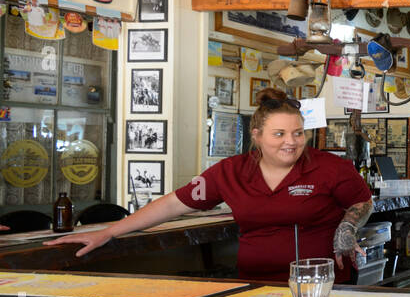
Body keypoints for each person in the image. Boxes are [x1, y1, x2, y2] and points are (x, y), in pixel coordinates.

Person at [48, 89, 374, 282]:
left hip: (320, 283)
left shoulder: (330, 167)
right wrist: (110, 232)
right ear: (257, 136)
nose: (291, 142)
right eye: (279, 134)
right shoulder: (231, 172)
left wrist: (347, 227)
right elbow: (174, 204)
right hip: (254, 285)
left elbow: (362, 202)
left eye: (298, 133)